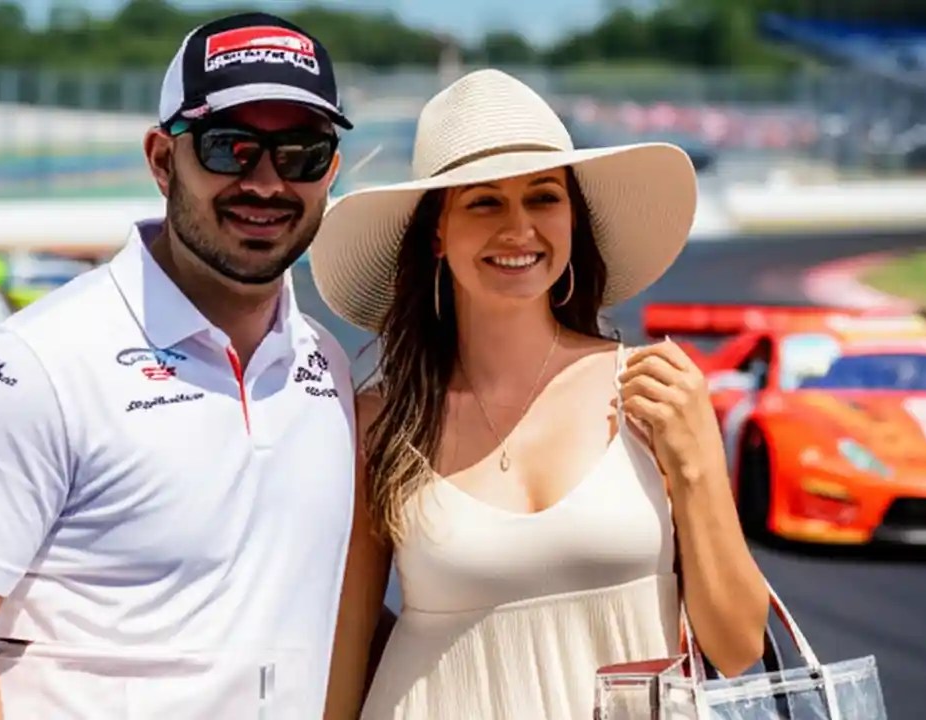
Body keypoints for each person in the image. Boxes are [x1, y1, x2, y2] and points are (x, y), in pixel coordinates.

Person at [0, 12, 357, 719]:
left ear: (330, 172)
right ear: (162, 159)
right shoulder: (35, 363)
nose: (265, 183)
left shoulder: (328, 365)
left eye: (301, 155)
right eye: (229, 148)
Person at [311, 69, 771, 720]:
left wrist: (695, 463)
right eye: (484, 202)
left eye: (543, 197)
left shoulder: (655, 391)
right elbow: (346, 651)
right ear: (438, 232)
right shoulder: (385, 423)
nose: (519, 228)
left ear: (573, 220)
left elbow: (739, 644)